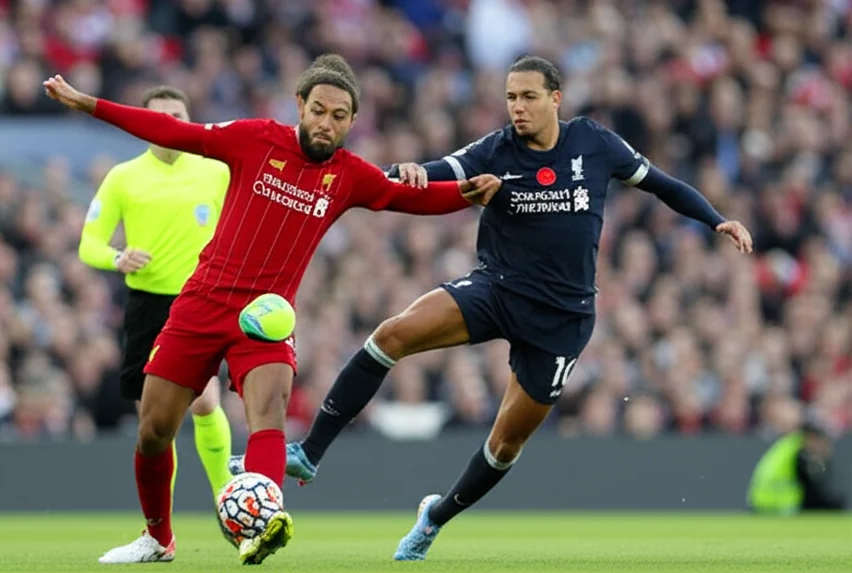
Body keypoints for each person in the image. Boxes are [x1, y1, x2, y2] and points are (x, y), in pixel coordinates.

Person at [255, 55, 755, 561]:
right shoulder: (497, 149)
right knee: (392, 334)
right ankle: (309, 452)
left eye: (529, 97)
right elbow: (440, 171)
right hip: (497, 290)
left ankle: (435, 517)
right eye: (511, 97)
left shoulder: (594, 143)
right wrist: (402, 173)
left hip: (562, 319)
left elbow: (661, 184)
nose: (517, 107)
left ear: (555, 99)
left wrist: (716, 220)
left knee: (505, 445)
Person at [43, 54, 502, 565]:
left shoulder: (350, 176)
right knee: (153, 431)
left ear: (352, 122)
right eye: (320, 110)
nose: (327, 123)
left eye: (340, 116)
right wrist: (89, 104)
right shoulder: (254, 138)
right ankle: (158, 538)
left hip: (265, 318)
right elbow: (175, 133)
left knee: (268, 417)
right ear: (300, 105)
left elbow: (410, 198)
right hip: (201, 303)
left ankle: (261, 523)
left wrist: (467, 195)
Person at [77, 85, 235, 557]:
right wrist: (117, 257)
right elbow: (89, 243)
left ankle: (227, 500)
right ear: (143, 123)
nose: (170, 122)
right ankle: (159, 533)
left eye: (178, 114)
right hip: (147, 306)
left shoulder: (216, 170)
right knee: (153, 425)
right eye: (159, 116)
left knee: (206, 402)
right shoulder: (124, 177)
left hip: (201, 301)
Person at [747, 413, 847, 514]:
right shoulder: (799, 452)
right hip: (778, 503)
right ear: (812, 437)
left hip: (762, 500)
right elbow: (809, 486)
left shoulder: (790, 445)